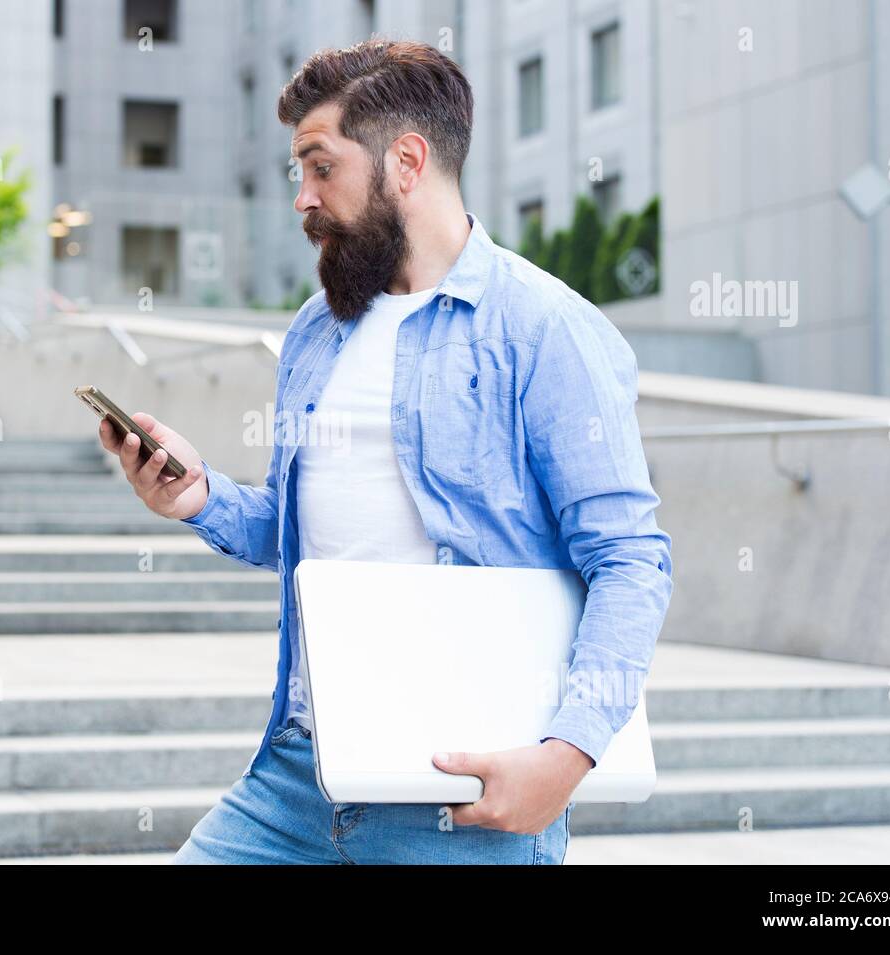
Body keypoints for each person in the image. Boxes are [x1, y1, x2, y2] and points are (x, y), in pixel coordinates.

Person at [97, 38, 673, 864]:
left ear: (406, 160)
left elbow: (630, 559)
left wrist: (567, 757)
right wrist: (199, 497)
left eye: (320, 166)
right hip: (301, 773)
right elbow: (318, 540)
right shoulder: (315, 332)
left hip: (461, 794)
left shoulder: (548, 330)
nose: (303, 198)